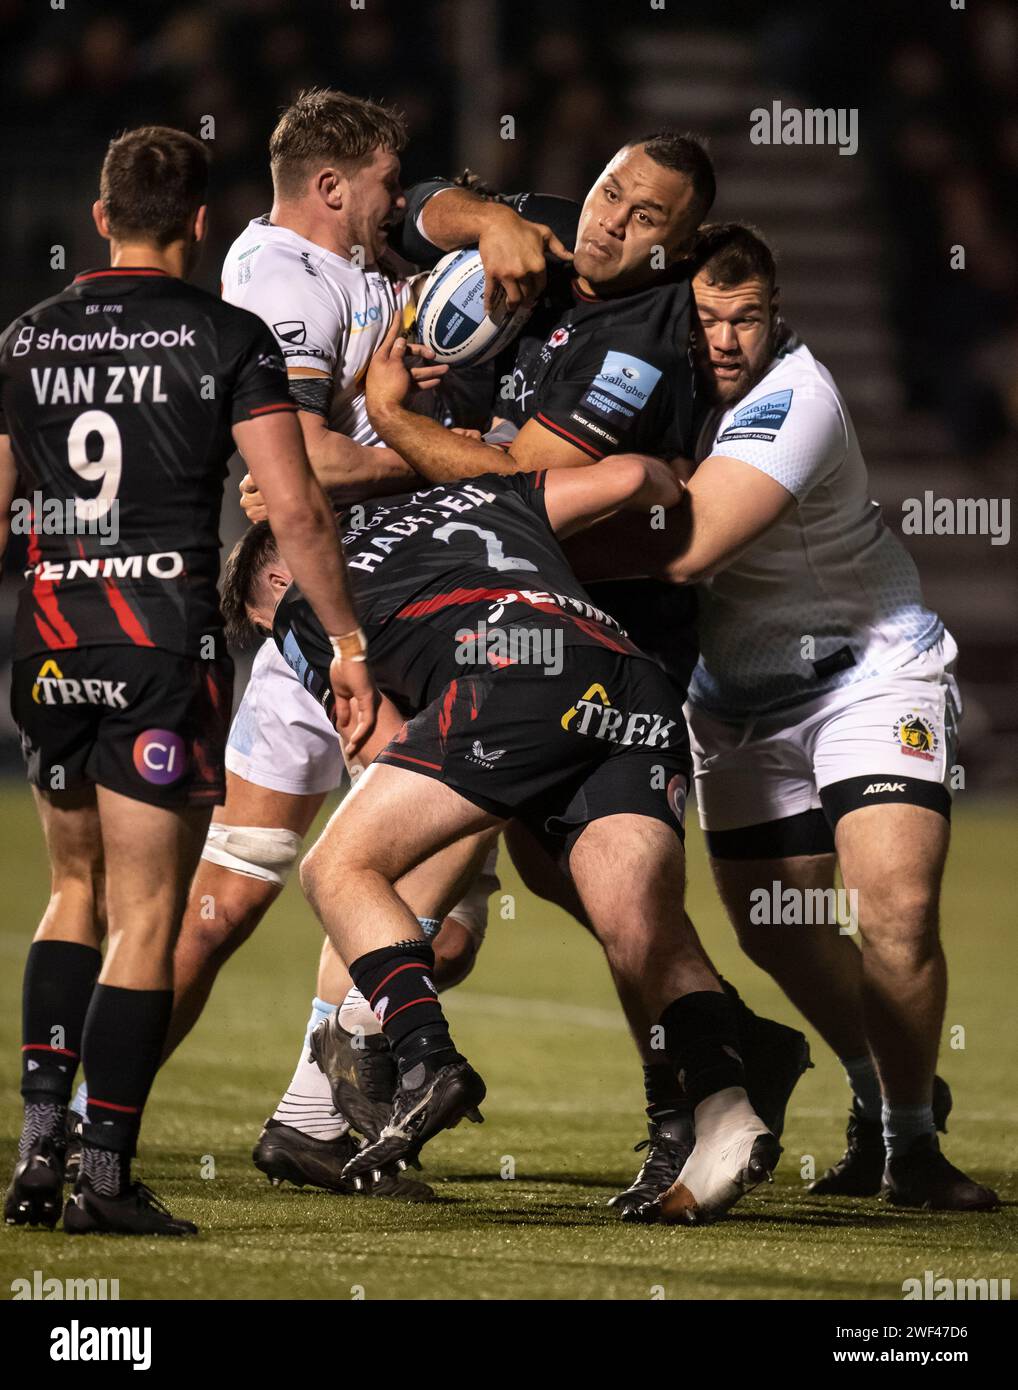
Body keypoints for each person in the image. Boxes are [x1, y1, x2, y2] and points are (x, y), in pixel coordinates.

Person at [230, 451, 784, 1225]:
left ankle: (426, 1060)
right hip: (628, 671)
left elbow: (379, 744)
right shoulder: (485, 494)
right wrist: (669, 482)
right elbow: (633, 480)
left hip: (511, 675)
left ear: (279, 578)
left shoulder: (303, 605)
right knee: (640, 926)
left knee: (340, 867)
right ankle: (726, 1116)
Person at [568, 222, 999, 1212]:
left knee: (891, 907)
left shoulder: (792, 394)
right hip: (733, 703)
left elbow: (687, 547)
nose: (727, 339)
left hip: (867, 674)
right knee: (778, 929)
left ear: (776, 315)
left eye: (747, 317)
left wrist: (507, 532)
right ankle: (876, 1094)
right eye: (709, 318)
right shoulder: (651, 385)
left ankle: (913, 1147)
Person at [0, 127, 376, 1237]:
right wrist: (347, 642)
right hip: (159, 646)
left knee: (70, 894)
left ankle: (35, 1151)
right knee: (149, 914)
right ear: (200, 223)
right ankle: (103, 1177)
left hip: (54, 639)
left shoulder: (24, 338)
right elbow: (295, 505)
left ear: (101, 215)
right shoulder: (226, 335)